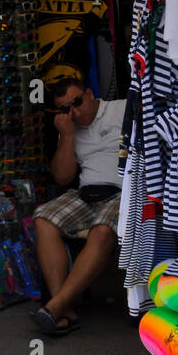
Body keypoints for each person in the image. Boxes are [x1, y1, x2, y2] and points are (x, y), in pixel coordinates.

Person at [29, 75, 126, 336]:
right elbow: (62, 177)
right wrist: (67, 137)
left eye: (78, 102)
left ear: (90, 94)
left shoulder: (122, 109)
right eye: (66, 108)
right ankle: (63, 309)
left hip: (123, 190)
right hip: (87, 192)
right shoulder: (69, 128)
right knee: (43, 218)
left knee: (103, 229)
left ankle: (57, 306)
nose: (74, 111)